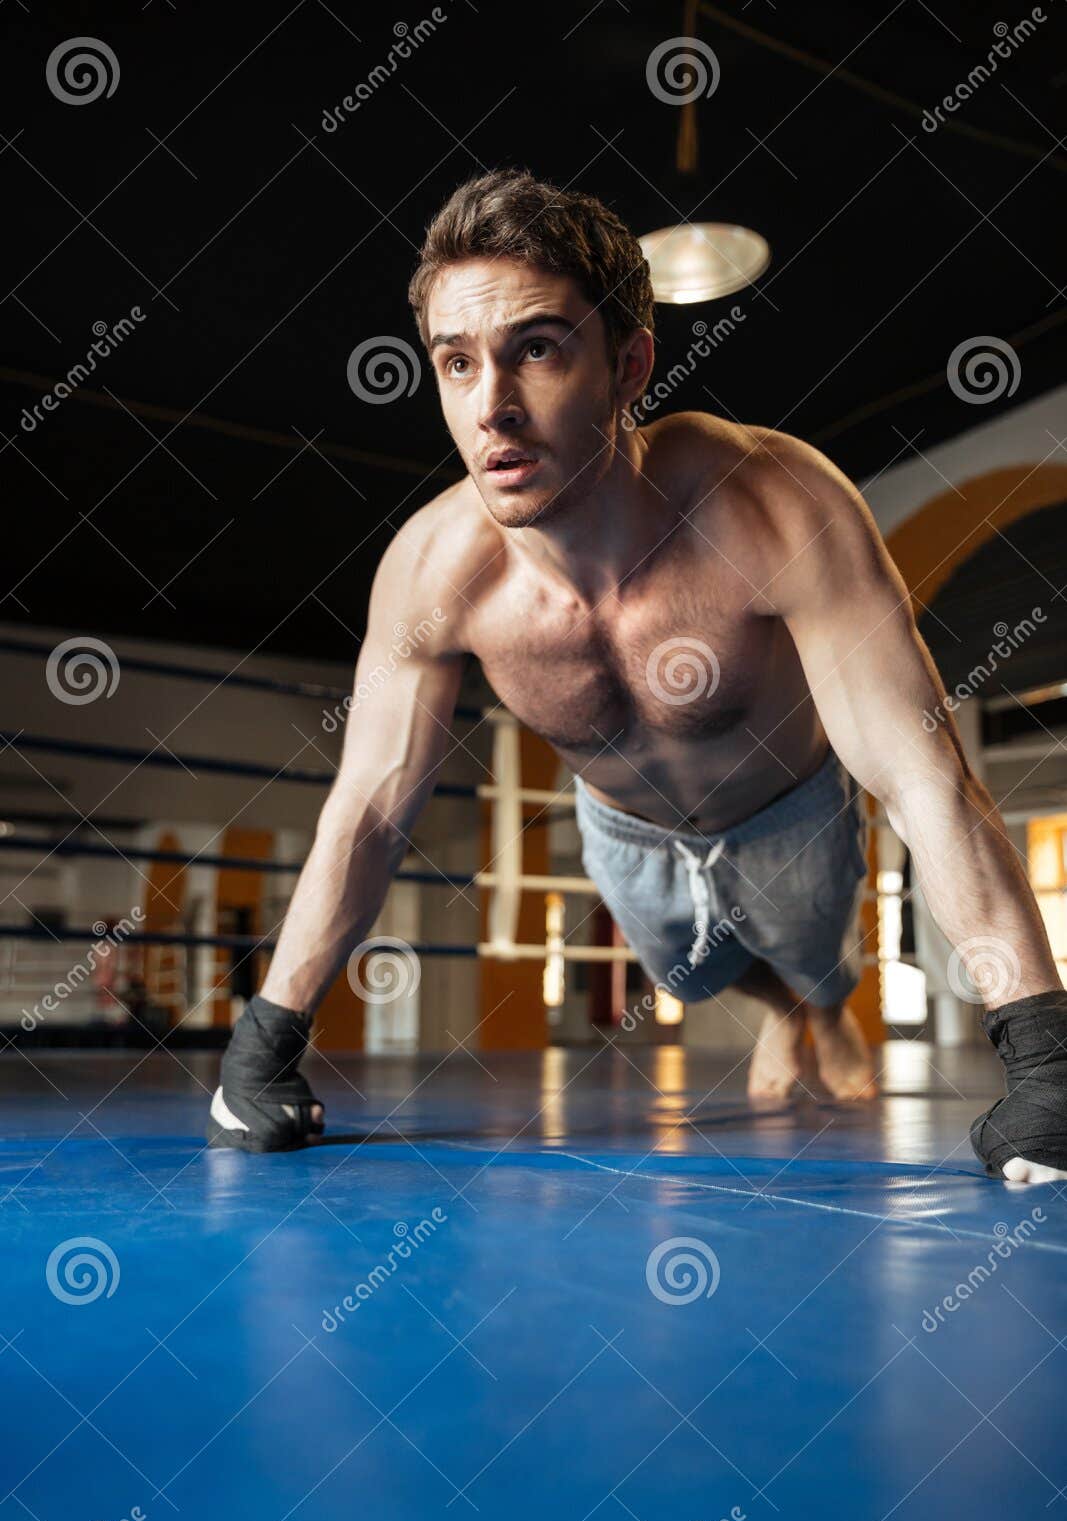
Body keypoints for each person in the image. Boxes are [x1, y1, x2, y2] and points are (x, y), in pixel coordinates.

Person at [209, 169, 1067, 1182]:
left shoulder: (774, 505)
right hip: (623, 829)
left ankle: (817, 1004)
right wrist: (262, 1043)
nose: (493, 409)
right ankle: (785, 1010)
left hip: (789, 808)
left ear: (628, 366)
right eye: (454, 361)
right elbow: (368, 809)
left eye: (535, 348)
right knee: (689, 974)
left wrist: (1042, 1057)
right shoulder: (434, 573)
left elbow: (925, 779)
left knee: (810, 955)